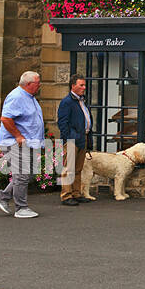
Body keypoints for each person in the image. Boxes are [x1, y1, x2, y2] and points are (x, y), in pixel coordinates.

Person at [0, 71, 45, 219]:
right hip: (15, 143)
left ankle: (3, 196)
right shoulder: (16, 97)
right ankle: (21, 208)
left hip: (28, 143)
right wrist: (18, 136)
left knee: (29, 174)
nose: (40, 85)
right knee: (22, 174)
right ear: (28, 84)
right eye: (37, 83)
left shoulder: (30, 97)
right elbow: (6, 118)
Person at [56, 75, 92, 206]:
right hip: (72, 140)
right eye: (81, 85)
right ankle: (66, 195)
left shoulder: (81, 100)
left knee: (78, 168)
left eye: (84, 85)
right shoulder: (67, 102)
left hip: (83, 138)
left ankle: (76, 193)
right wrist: (69, 139)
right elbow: (62, 123)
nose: (84, 87)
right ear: (73, 86)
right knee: (67, 168)